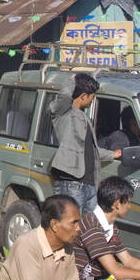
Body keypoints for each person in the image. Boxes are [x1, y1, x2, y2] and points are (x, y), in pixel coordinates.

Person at [50, 73, 121, 213]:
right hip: (72, 182)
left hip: (89, 183)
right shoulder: (64, 113)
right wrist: (71, 80)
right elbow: (64, 97)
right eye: (92, 96)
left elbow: (90, 150)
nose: (92, 100)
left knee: (88, 228)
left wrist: (112, 154)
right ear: (83, 96)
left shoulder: (84, 116)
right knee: (72, 226)